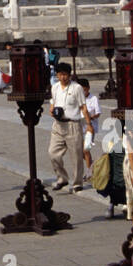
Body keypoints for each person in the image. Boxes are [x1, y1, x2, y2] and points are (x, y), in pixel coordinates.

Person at [48, 62, 85, 192]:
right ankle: (62, 178)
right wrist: (52, 110)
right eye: (60, 74)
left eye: (65, 74)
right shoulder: (55, 87)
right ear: (57, 75)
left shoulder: (77, 88)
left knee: (76, 156)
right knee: (53, 153)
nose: (63, 77)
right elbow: (52, 102)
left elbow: (83, 106)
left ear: (69, 75)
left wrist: (89, 125)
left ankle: (77, 183)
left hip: (73, 124)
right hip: (58, 125)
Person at [80, 77, 99, 177]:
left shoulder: (93, 98)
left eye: (85, 90)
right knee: (79, 151)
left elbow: (98, 113)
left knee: (86, 150)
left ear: (88, 88)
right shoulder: (77, 99)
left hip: (90, 127)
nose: (83, 92)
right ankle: (92, 166)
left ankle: (89, 172)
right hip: (79, 127)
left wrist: (90, 117)